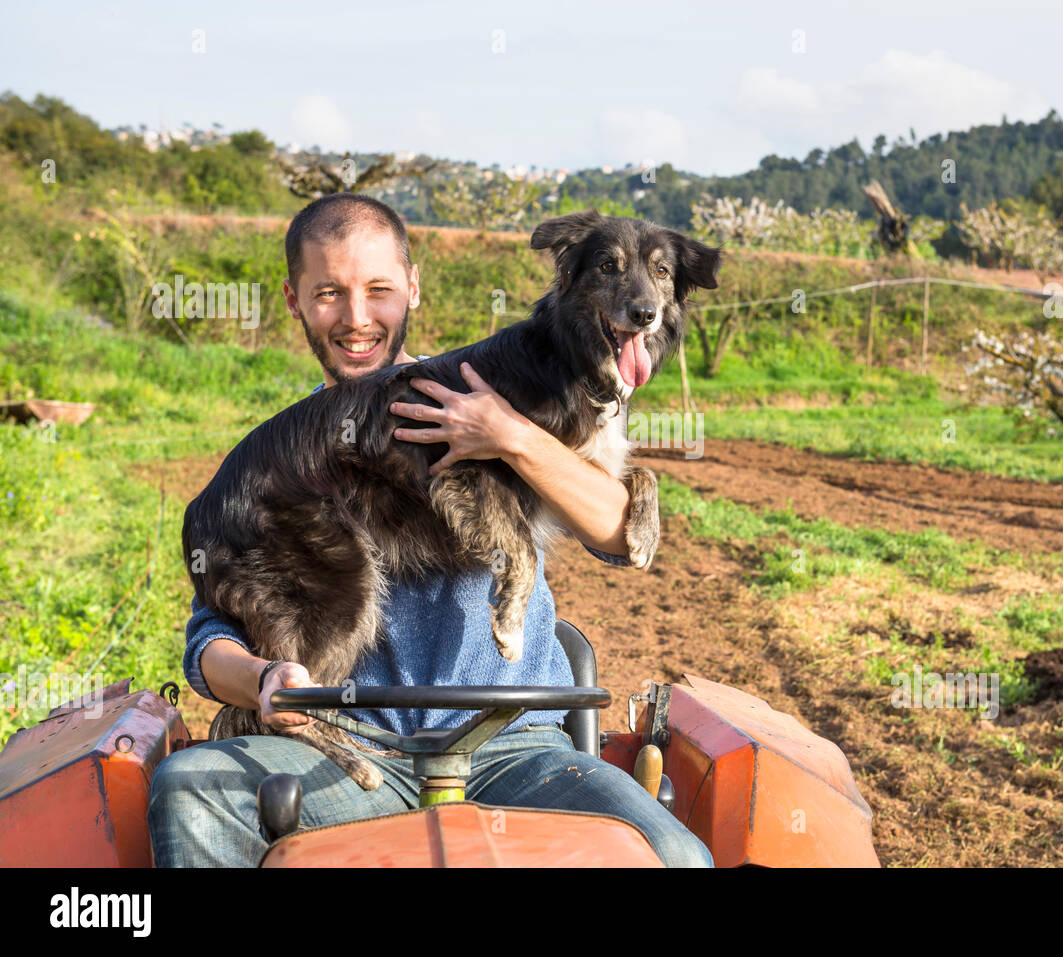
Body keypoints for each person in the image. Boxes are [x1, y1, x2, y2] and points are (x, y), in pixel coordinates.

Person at [146, 193, 712, 868]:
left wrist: (508, 436)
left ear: (412, 286)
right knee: (189, 787)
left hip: (513, 747)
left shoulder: (500, 392)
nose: (357, 318)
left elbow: (621, 533)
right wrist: (265, 677)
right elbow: (209, 638)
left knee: (673, 852)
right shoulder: (288, 456)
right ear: (295, 300)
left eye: (378, 290)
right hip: (355, 754)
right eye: (329, 293)